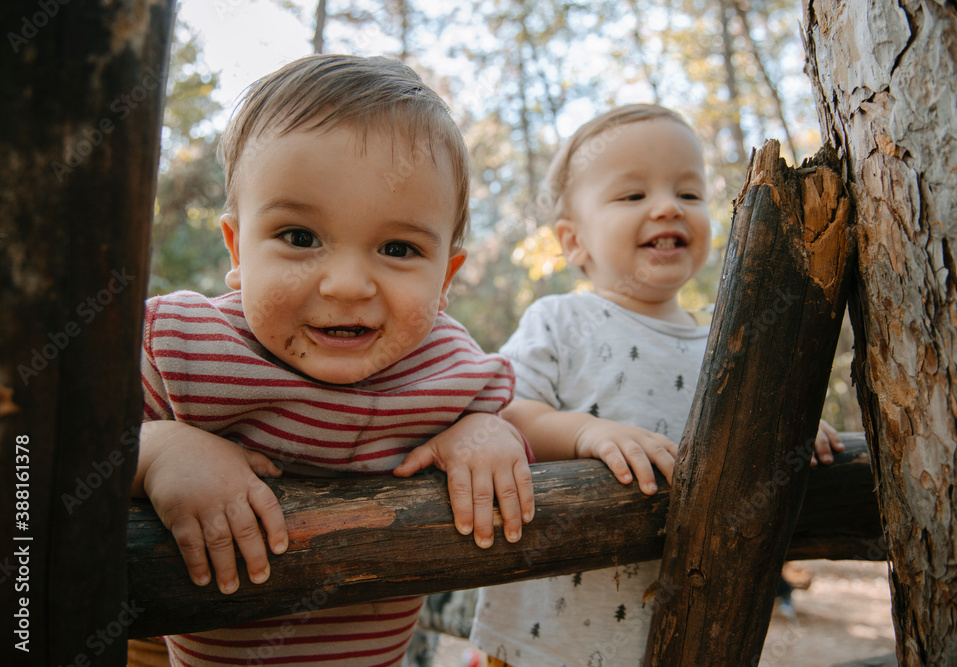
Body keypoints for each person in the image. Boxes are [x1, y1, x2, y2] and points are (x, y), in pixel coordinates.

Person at [130, 54, 534, 667]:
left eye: (397, 248)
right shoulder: (185, 348)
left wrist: (487, 430)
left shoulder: (446, 366)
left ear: (445, 277)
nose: (347, 285)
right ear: (238, 247)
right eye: (299, 237)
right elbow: (40, 461)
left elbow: (518, 421)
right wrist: (159, 450)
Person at [469, 104, 842, 667]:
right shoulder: (559, 320)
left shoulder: (731, 337)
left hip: (687, 629)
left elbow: (742, 434)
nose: (668, 206)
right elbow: (506, 416)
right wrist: (586, 433)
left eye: (689, 194)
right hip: (546, 637)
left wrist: (788, 431)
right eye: (632, 196)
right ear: (573, 242)